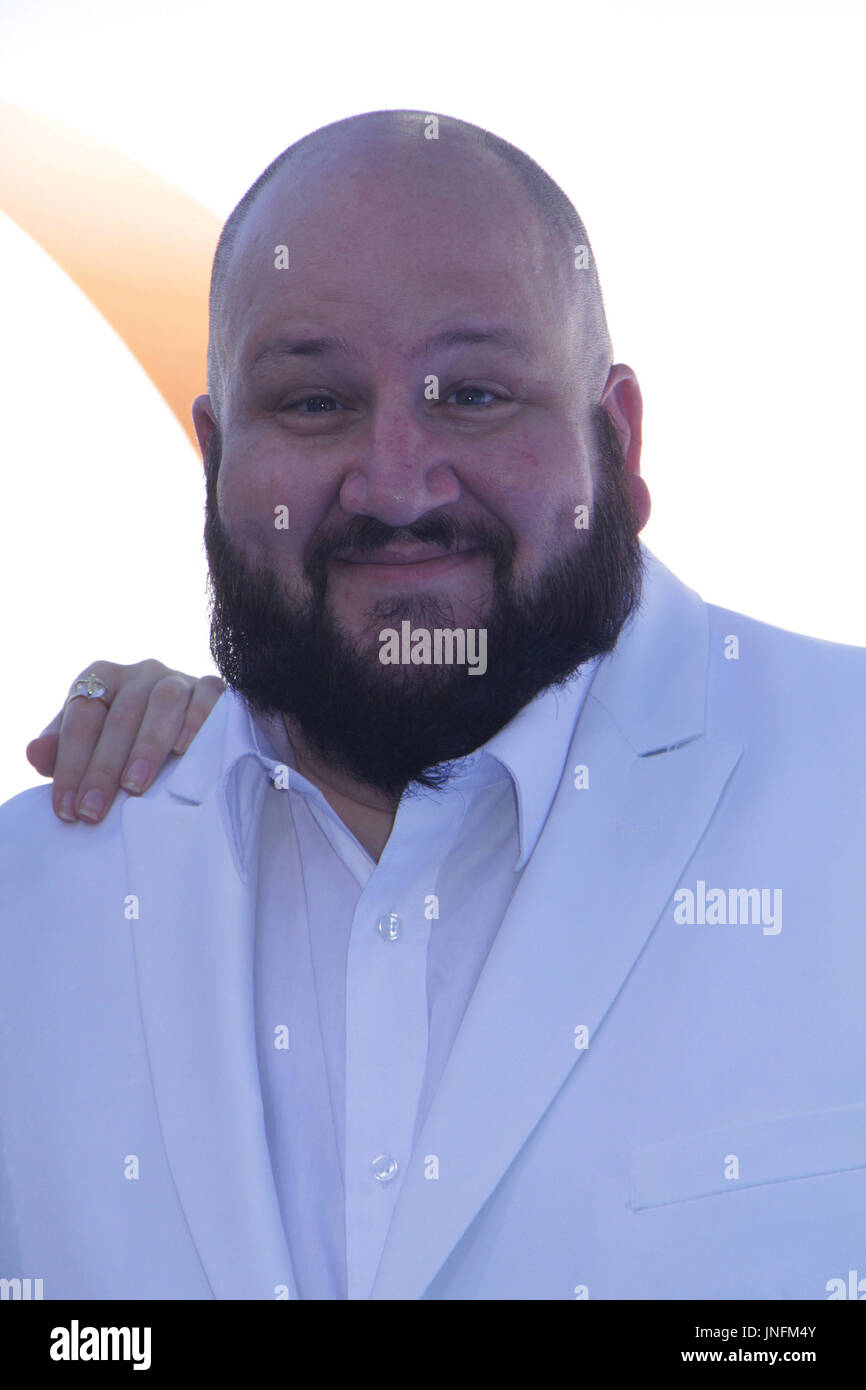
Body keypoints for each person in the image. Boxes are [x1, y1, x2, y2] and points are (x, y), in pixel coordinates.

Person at [2, 108, 865, 1303]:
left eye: (471, 394)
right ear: (216, 457)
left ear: (613, 444)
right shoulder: (32, 911)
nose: (396, 484)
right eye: (312, 403)